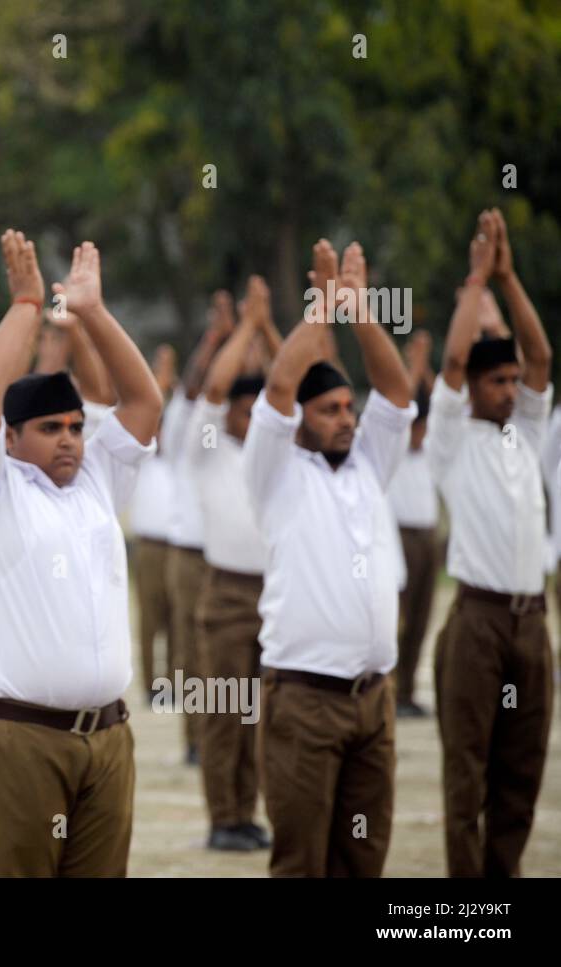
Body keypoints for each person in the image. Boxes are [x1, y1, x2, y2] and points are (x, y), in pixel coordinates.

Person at [0, 234, 162, 877]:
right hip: (18, 740)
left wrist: (92, 313)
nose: (70, 439)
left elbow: (145, 402)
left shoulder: (97, 479)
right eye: (50, 429)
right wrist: (26, 304)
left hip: (106, 739)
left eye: (75, 426)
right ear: (11, 438)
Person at [244, 239, 414, 877]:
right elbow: (282, 382)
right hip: (304, 704)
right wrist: (321, 306)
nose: (347, 420)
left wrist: (359, 308)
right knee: (301, 863)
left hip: (373, 700)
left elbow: (395, 392)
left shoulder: (369, 463)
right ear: (299, 421)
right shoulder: (276, 472)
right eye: (330, 411)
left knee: (363, 860)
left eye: (349, 408)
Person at [428, 209, 553, 878]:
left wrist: (508, 277)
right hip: (476, 621)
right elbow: (451, 359)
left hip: (532, 621)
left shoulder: (525, 434)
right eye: (495, 382)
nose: (509, 390)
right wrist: (476, 279)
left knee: (522, 768)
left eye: (511, 382)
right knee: (467, 772)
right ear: (475, 388)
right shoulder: (452, 438)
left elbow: (540, 355)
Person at [182, 275, 279, 851]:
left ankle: (250, 812)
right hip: (226, 593)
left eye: (257, 411)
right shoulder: (208, 449)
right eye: (244, 410)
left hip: (276, 594)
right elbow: (215, 390)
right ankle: (225, 817)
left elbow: (303, 377)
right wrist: (246, 327)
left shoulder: (280, 453)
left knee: (264, 717)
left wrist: (268, 326)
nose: (249, 419)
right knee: (225, 711)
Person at [162, 295, 233, 764]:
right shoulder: (187, 419)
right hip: (190, 553)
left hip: (229, 557)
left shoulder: (242, 422)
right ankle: (195, 739)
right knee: (191, 653)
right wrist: (215, 339)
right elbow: (193, 385)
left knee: (230, 661)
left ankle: (228, 737)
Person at [388, 330, 440, 717]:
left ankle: (406, 692)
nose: (420, 435)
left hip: (429, 537)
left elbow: (447, 404)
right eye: (416, 428)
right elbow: (400, 405)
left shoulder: (432, 452)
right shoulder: (397, 450)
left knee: (421, 619)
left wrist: (426, 370)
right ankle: (390, 690)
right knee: (400, 620)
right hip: (401, 538)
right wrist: (414, 367)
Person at [128, 346, 176, 702]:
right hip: (148, 546)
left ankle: (171, 685)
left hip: (174, 545)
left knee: (175, 620)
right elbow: (148, 406)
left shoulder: (177, 457)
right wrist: (160, 375)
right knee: (149, 619)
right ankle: (149, 684)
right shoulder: (140, 456)